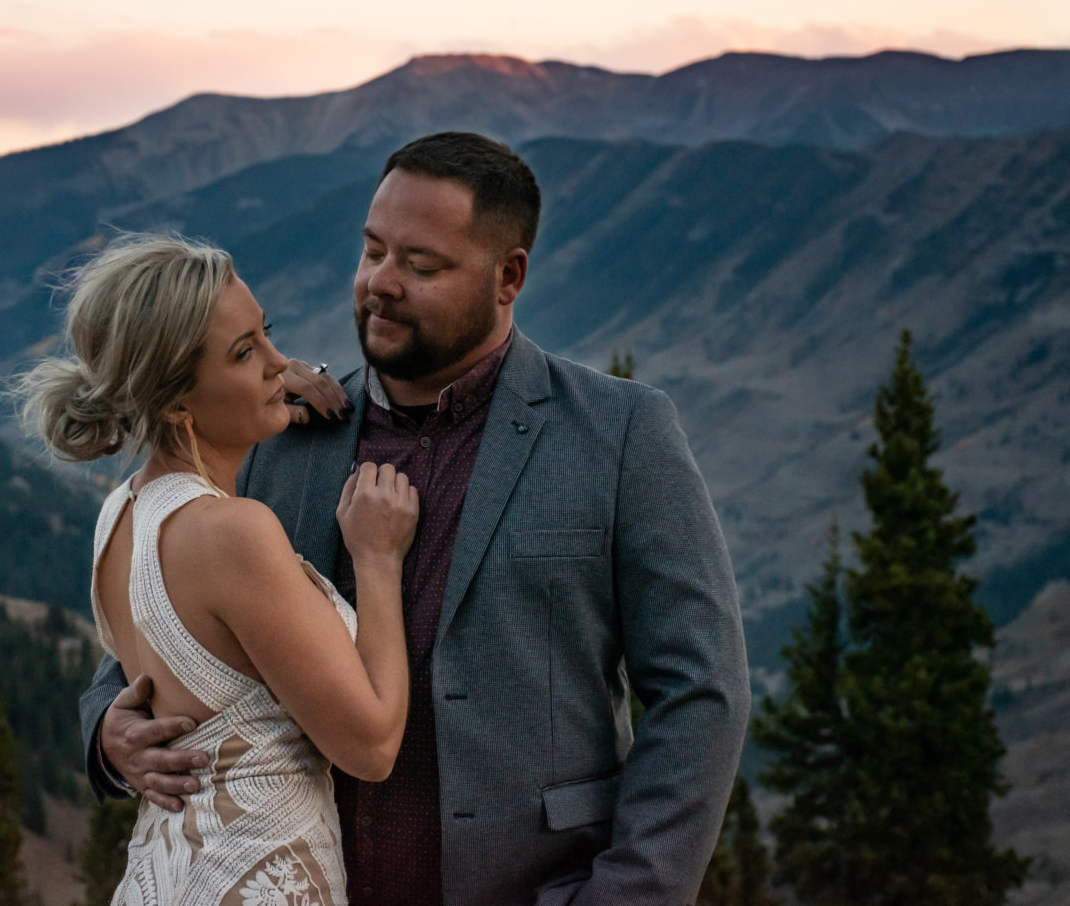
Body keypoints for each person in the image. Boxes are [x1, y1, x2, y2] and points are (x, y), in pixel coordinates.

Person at [84, 132, 751, 904]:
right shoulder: (283, 439)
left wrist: (628, 896)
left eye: (420, 265)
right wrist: (109, 734)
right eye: (372, 252)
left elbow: (702, 691)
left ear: (509, 277)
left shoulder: (620, 433)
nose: (380, 284)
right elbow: (156, 635)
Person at [17, 234, 420, 905]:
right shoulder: (232, 533)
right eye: (243, 353)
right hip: (258, 879)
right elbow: (371, 745)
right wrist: (377, 562)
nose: (280, 364)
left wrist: (249, 390)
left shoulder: (120, 517)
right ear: (175, 402)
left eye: (267, 334)